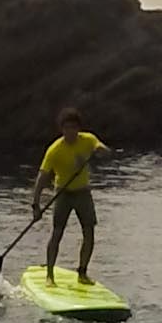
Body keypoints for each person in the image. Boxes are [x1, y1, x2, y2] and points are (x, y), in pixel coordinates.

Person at [32, 106, 108, 282]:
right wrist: (36, 205)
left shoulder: (88, 140)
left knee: (89, 231)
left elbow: (103, 150)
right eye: (67, 128)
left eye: (73, 127)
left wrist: (101, 151)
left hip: (83, 192)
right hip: (63, 193)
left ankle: (82, 272)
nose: (70, 132)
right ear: (62, 129)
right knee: (57, 232)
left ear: (78, 128)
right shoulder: (55, 150)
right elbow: (42, 178)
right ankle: (49, 274)